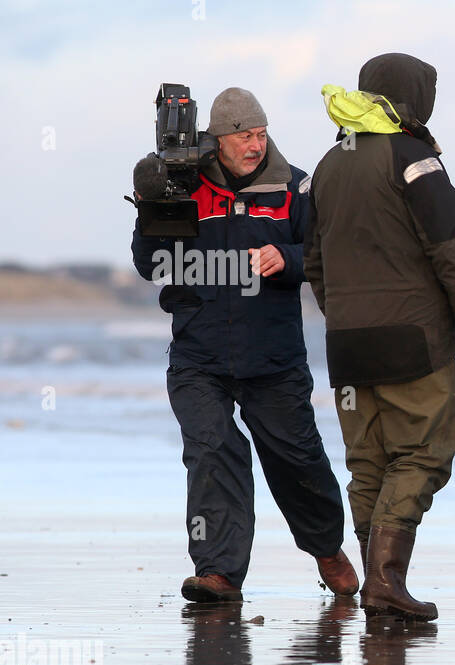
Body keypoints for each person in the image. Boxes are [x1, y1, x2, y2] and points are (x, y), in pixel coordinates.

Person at [130, 87, 357, 604]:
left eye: (260, 133)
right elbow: (151, 265)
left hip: (273, 357)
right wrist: (151, 207)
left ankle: (326, 546)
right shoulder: (186, 186)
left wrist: (288, 259)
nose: (254, 145)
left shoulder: (294, 188)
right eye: (243, 136)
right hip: (198, 356)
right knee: (212, 451)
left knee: (295, 459)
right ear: (219, 139)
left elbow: (324, 253)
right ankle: (218, 573)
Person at [304, 53, 455, 622]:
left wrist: (341, 313)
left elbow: (313, 260)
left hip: (346, 344)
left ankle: (376, 581)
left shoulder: (328, 164)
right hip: (413, 340)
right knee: (423, 455)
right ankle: (386, 581)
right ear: (416, 98)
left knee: (368, 463)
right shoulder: (413, 158)